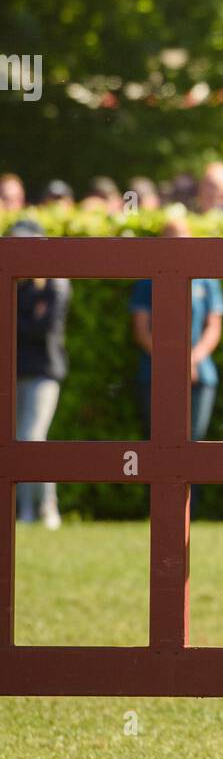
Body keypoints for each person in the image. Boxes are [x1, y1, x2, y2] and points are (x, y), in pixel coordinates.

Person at [129, 217, 223, 506]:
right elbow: (141, 329)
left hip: (201, 376)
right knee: (159, 445)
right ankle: (160, 508)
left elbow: (214, 326)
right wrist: (173, 365)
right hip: (155, 374)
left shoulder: (207, 277)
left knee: (192, 444)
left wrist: (191, 360)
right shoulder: (146, 279)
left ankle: (189, 509)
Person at [7, 218, 69, 528]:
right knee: (16, 442)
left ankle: (44, 508)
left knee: (33, 439)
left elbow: (44, 328)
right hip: (12, 371)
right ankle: (24, 510)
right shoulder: (12, 283)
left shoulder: (55, 282)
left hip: (43, 371)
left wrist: (20, 322)